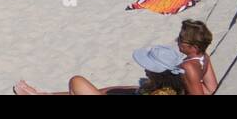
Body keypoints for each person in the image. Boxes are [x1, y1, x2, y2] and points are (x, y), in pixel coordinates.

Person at [15, 21, 217, 96]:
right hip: (159, 88)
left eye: (181, 40)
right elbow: (212, 88)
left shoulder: (188, 69)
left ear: (192, 46)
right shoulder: (199, 60)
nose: (178, 41)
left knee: (77, 82)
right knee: (109, 90)